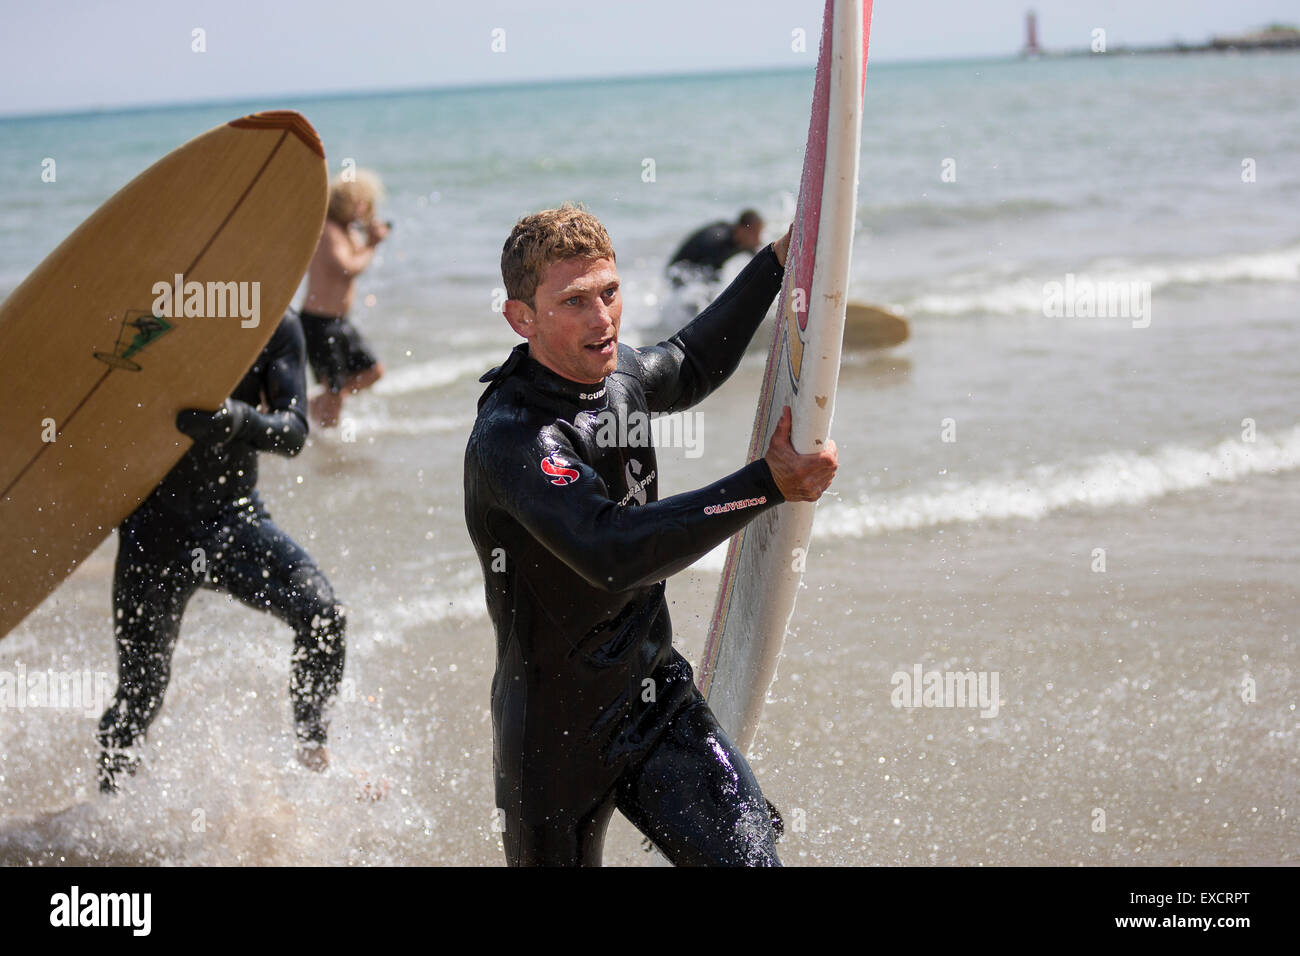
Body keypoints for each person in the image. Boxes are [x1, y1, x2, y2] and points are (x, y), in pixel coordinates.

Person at [463, 205, 838, 866]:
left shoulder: (620, 379)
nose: (602, 318)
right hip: (554, 739)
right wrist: (766, 483)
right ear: (522, 318)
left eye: (608, 292)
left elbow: (691, 362)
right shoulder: (516, 438)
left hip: (656, 700)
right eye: (573, 301)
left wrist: (776, 265)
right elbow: (611, 551)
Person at [96, 312, 346, 793]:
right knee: (139, 695)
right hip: (153, 531)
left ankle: (313, 758)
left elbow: (294, 431)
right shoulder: (136, 313)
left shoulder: (274, 323)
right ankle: (107, 813)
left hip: (232, 520)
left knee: (324, 617)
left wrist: (237, 420)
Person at [302, 170, 389, 428]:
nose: (364, 209)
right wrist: (372, 245)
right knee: (334, 394)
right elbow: (346, 267)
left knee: (373, 371)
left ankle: (319, 404)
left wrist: (370, 237)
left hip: (340, 322)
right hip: (319, 322)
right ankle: (326, 448)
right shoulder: (328, 229)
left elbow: (354, 259)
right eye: (361, 203)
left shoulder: (347, 230)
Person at [666, 208, 765, 287]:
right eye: (755, 234)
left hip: (696, 272)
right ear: (740, 229)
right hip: (679, 272)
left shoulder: (742, 240)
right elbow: (711, 277)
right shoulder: (718, 242)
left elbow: (758, 259)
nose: (758, 240)